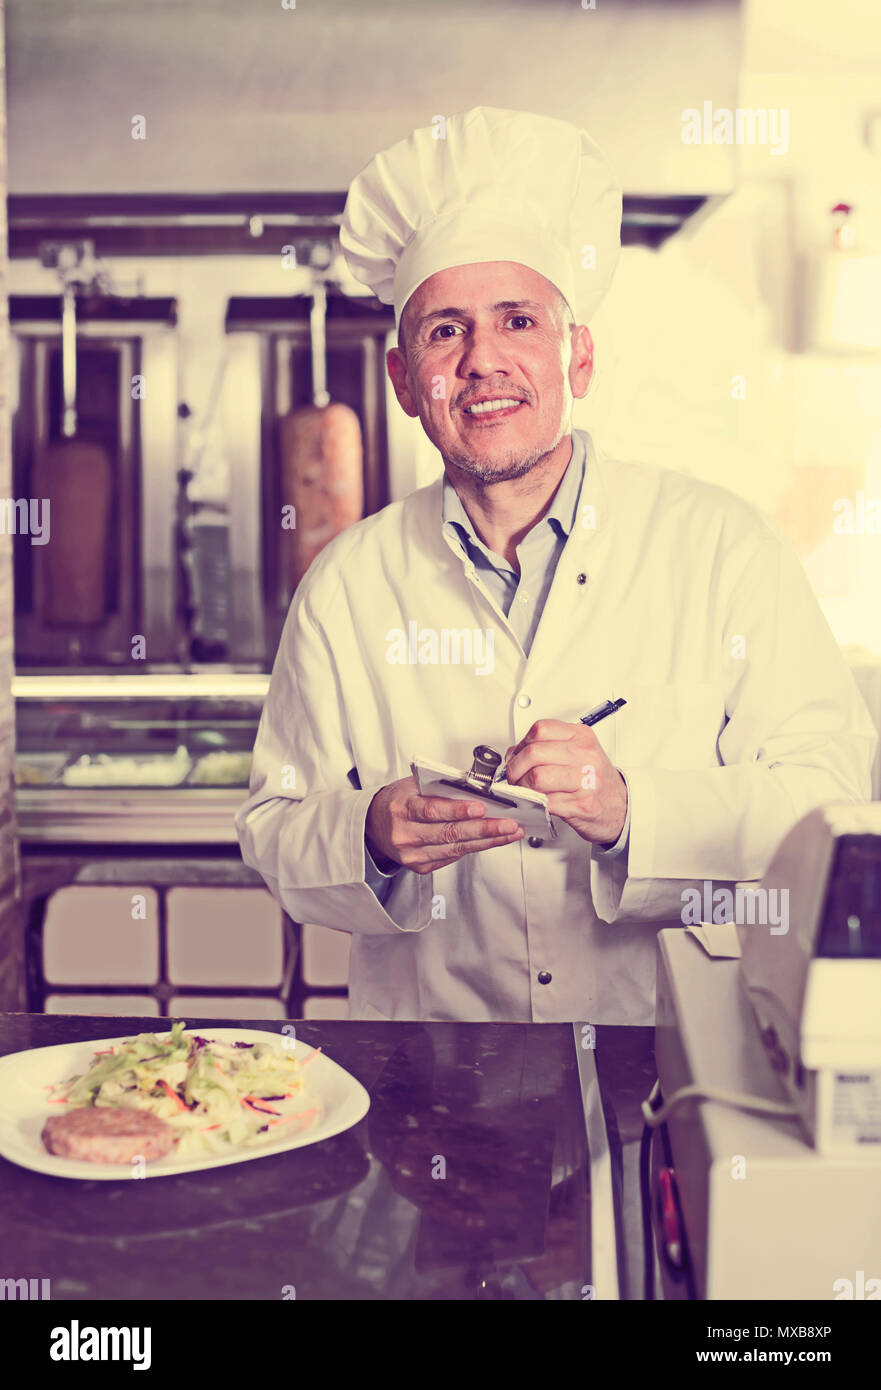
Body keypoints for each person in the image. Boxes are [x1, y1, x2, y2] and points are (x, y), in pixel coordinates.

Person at [236, 107, 876, 1025]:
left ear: (577, 355)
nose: (483, 360)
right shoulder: (347, 585)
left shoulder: (723, 547)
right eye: (444, 332)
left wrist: (630, 811)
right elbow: (274, 830)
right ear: (404, 382)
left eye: (517, 320)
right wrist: (370, 834)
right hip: (434, 1082)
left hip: (675, 1064)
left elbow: (828, 806)